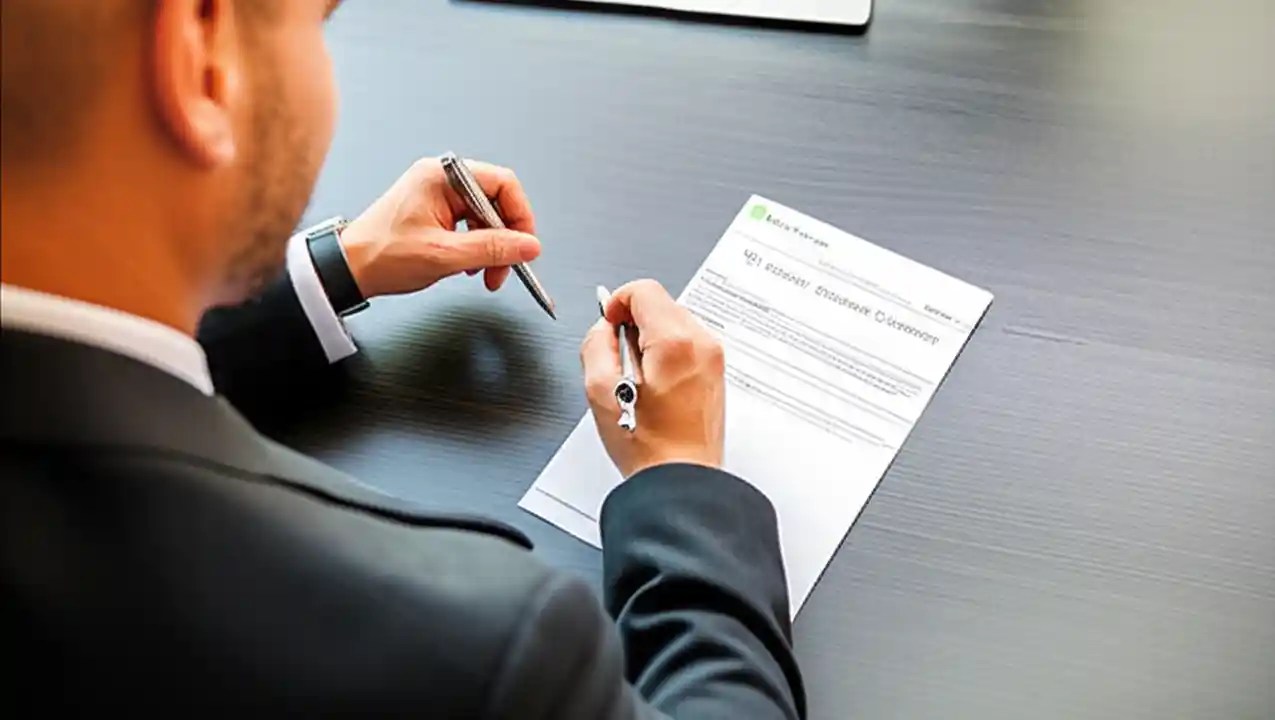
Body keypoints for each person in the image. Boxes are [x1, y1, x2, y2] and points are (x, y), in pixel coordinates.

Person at [0, 1, 805, 717]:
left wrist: (332, 269)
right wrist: (685, 482)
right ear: (201, 56)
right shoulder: (480, 652)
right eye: (321, 20)